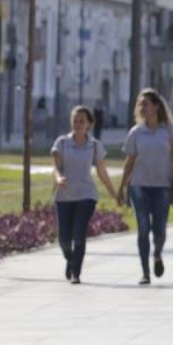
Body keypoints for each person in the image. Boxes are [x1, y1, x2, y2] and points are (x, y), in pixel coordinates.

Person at [118, 88, 173, 286]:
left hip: (162, 186)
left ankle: (157, 254)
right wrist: (122, 186)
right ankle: (145, 272)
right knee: (143, 228)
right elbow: (129, 161)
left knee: (160, 230)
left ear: (156, 106)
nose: (142, 107)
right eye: (140, 104)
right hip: (139, 186)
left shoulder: (170, 131)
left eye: (145, 103)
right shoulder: (136, 132)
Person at [51, 106, 119, 284]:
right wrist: (58, 178)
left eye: (81, 121)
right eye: (75, 120)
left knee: (79, 233)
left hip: (86, 195)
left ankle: (76, 272)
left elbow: (102, 173)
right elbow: (56, 167)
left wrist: (115, 194)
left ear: (89, 124)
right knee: (64, 239)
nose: (78, 124)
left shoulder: (95, 145)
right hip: (64, 196)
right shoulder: (61, 143)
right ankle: (70, 259)